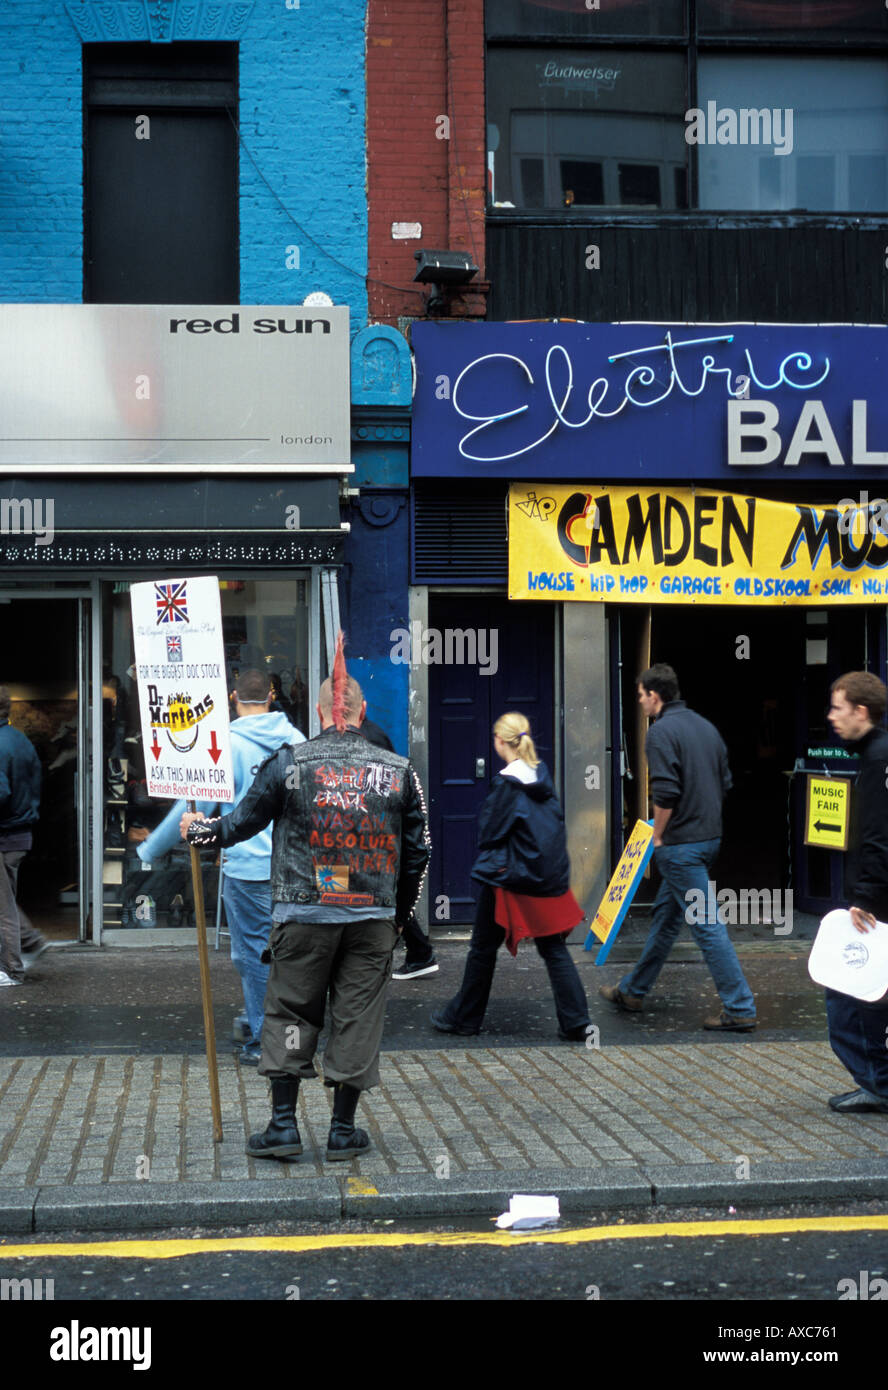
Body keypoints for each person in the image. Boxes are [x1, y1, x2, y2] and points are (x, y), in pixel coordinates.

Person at [181, 634, 430, 1161]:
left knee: (293, 1013)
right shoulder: (400, 772)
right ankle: (342, 1131)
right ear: (361, 712)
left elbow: (239, 825)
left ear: (319, 711)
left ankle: (283, 1127)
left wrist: (199, 833)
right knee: (357, 1018)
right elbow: (420, 852)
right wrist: (398, 917)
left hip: (303, 913)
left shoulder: (290, 763)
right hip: (371, 918)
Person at [138, 669, 301, 1063]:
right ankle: (276, 1027)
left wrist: (150, 848)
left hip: (247, 869)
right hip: (292, 869)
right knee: (287, 954)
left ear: (233, 697)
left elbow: (193, 807)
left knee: (252, 955)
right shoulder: (297, 742)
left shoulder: (224, 745)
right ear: (272, 695)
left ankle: (266, 1041)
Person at [599, 664, 757, 1031]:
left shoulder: (660, 733)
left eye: (640, 696)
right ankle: (633, 991)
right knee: (667, 919)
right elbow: (726, 782)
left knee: (707, 925)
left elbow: (666, 792)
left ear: (655, 696)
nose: (639, 703)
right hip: (708, 841)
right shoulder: (707, 727)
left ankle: (740, 1007)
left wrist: (658, 836)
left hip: (679, 847)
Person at [431, 711, 592, 1041]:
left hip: (511, 877)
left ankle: (465, 1018)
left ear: (501, 742)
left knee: (482, 949)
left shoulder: (507, 785)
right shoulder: (541, 777)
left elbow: (489, 833)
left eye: (494, 739)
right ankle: (576, 1020)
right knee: (552, 948)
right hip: (544, 878)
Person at [824, 671, 888, 1114]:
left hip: (876, 903)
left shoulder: (878, 759)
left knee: (849, 989)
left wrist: (864, 895)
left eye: (838, 708)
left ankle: (877, 1084)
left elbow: (879, 836)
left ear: (861, 711)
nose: (831, 717)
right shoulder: (876, 754)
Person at [359, 714, 438, 980]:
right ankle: (419, 952)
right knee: (393, 894)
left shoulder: (366, 737)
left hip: (383, 829)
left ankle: (418, 952)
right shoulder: (371, 732)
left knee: (390, 893)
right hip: (387, 828)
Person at [0, 685, 47, 986]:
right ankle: (29, 942)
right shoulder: (20, 740)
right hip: (20, 834)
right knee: (5, 901)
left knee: (2, 908)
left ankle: (11, 969)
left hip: (4, 835)